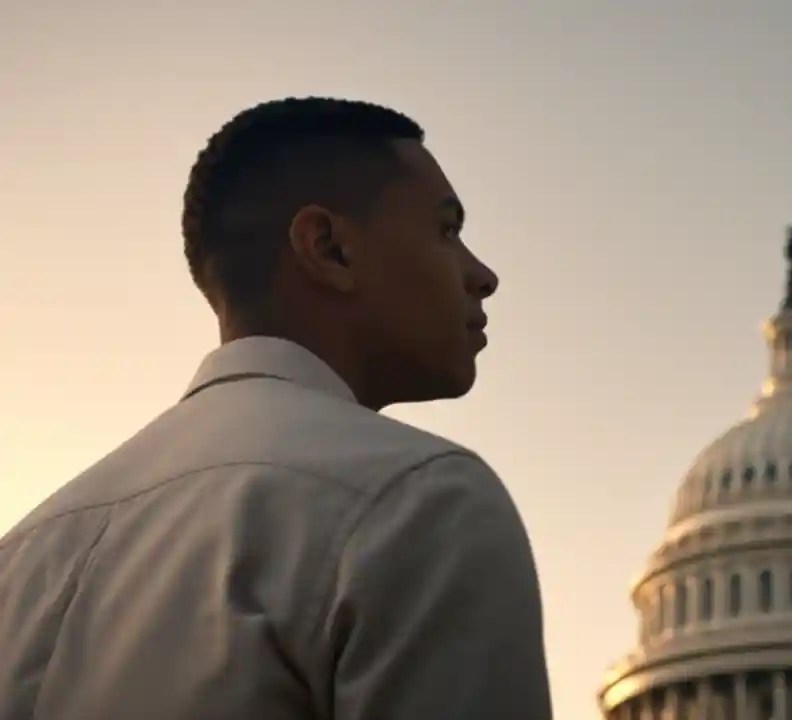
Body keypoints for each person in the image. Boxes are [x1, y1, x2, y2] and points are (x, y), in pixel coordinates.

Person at [0, 97, 552, 719]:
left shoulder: (23, 556)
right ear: (329, 248)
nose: (482, 274)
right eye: (447, 230)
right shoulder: (421, 500)